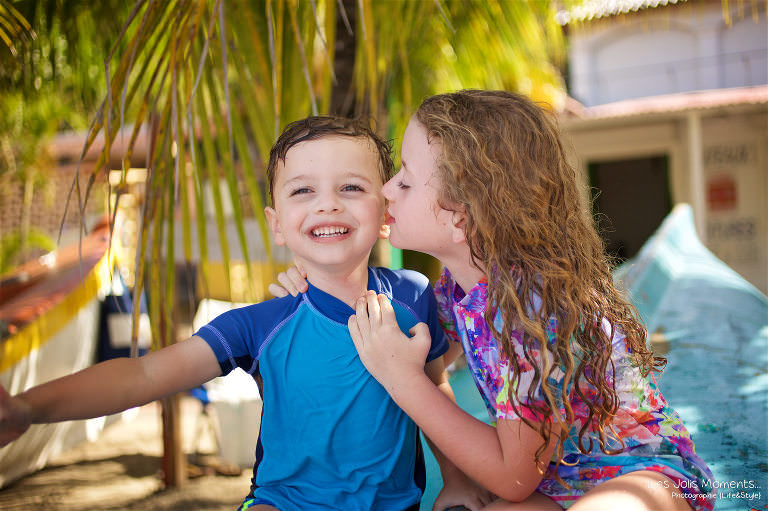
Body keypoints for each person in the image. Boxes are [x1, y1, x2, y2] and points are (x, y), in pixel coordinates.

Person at [0, 116, 480, 511]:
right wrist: (27, 408)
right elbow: (142, 376)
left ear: (385, 213)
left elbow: (434, 392)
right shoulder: (259, 325)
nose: (328, 204)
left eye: (352, 187)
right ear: (277, 224)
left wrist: (456, 479)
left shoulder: (412, 297)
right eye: (302, 192)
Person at [272, 91, 716, 511]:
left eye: (405, 180)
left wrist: (402, 378)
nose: (386, 189)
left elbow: (512, 477)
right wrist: (314, 283)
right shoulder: (457, 292)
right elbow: (390, 346)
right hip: (557, 484)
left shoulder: (533, 309)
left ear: (460, 218)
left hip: (646, 475)